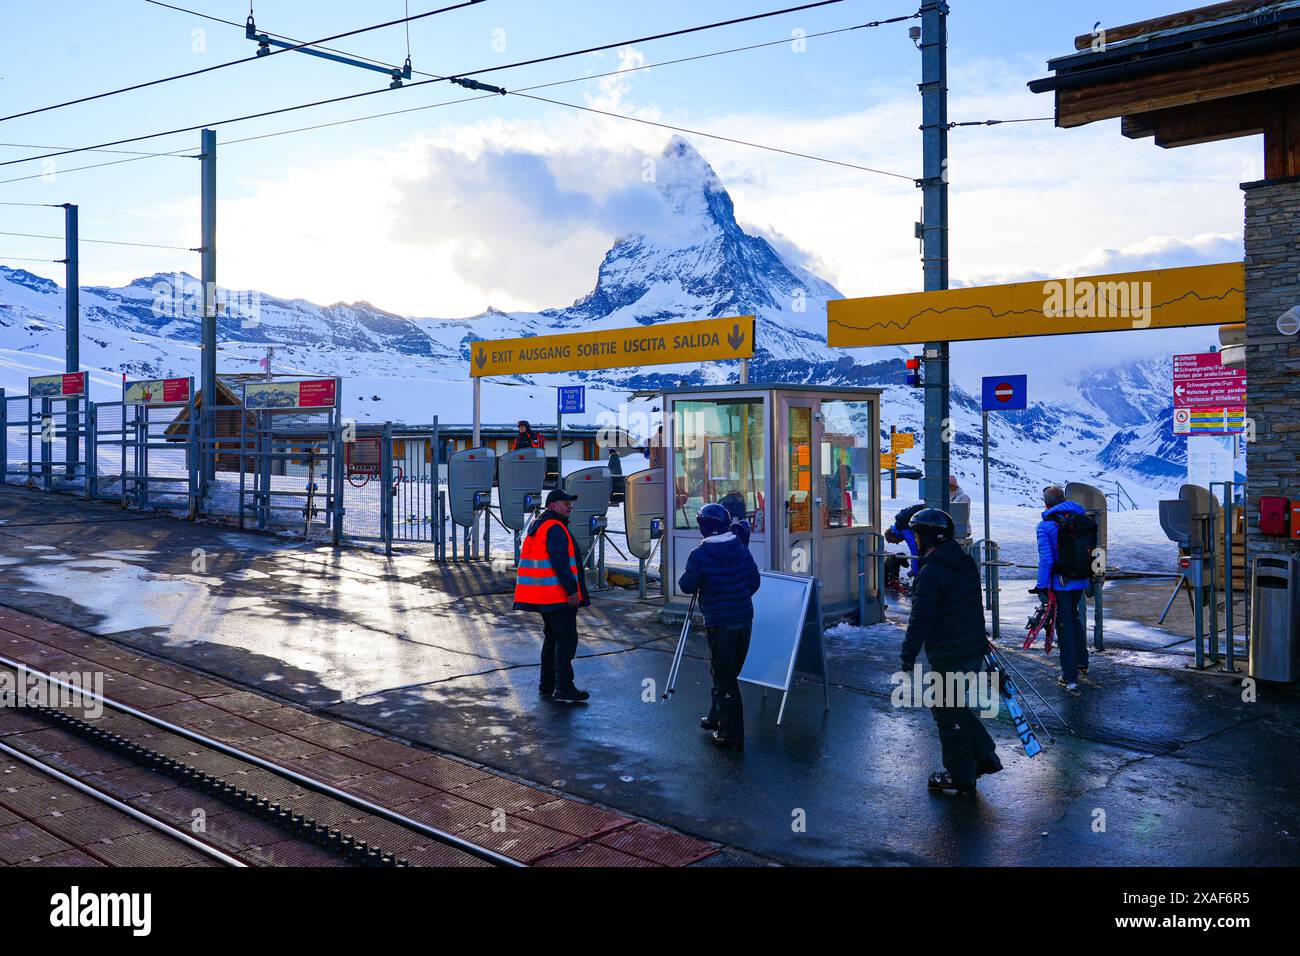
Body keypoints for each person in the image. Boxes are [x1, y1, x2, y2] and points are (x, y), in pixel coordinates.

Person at [899, 508, 1001, 796]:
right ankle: (984, 758)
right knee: (954, 708)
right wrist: (981, 641)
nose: (915, 539)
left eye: (917, 533)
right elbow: (974, 607)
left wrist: (907, 656)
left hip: (949, 654)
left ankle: (960, 776)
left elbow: (920, 620)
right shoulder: (964, 562)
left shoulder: (930, 574)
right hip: (970, 650)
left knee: (947, 715)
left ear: (927, 536)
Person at [677, 503, 762, 750]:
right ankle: (716, 716)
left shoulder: (700, 555)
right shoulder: (739, 547)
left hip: (719, 623)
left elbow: (686, 585)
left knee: (724, 677)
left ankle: (731, 733)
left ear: (704, 526)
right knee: (727, 672)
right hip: (744, 617)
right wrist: (738, 596)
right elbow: (754, 581)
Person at [513, 488, 591, 703]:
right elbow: (560, 563)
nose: (570, 506)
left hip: (542, 595)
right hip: (557, 596)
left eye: (570, 502)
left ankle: (546, 684)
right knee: (566, 640)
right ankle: (564, 687)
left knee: (552, 639)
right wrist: (572, 591)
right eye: (565, 502)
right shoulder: (555, 528)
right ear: (553, 505)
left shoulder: (539, 525)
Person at [1035, 485, 1091, 691]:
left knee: (1063, 624)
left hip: (1060, 583)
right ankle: (1082, 662)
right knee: (1073, 617)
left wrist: (1041, 586)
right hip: (1080, 579)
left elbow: (1047, 559)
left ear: (1046, 503)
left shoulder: (1045, 526)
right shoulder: (1081, 518)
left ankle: (1069, 676)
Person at [883, 502, 924, 588]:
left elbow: (914, 551)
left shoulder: (904, 530)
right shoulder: (899, 524)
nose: (897, 543)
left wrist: (916, 573)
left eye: (894, 542)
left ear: (893, 536)